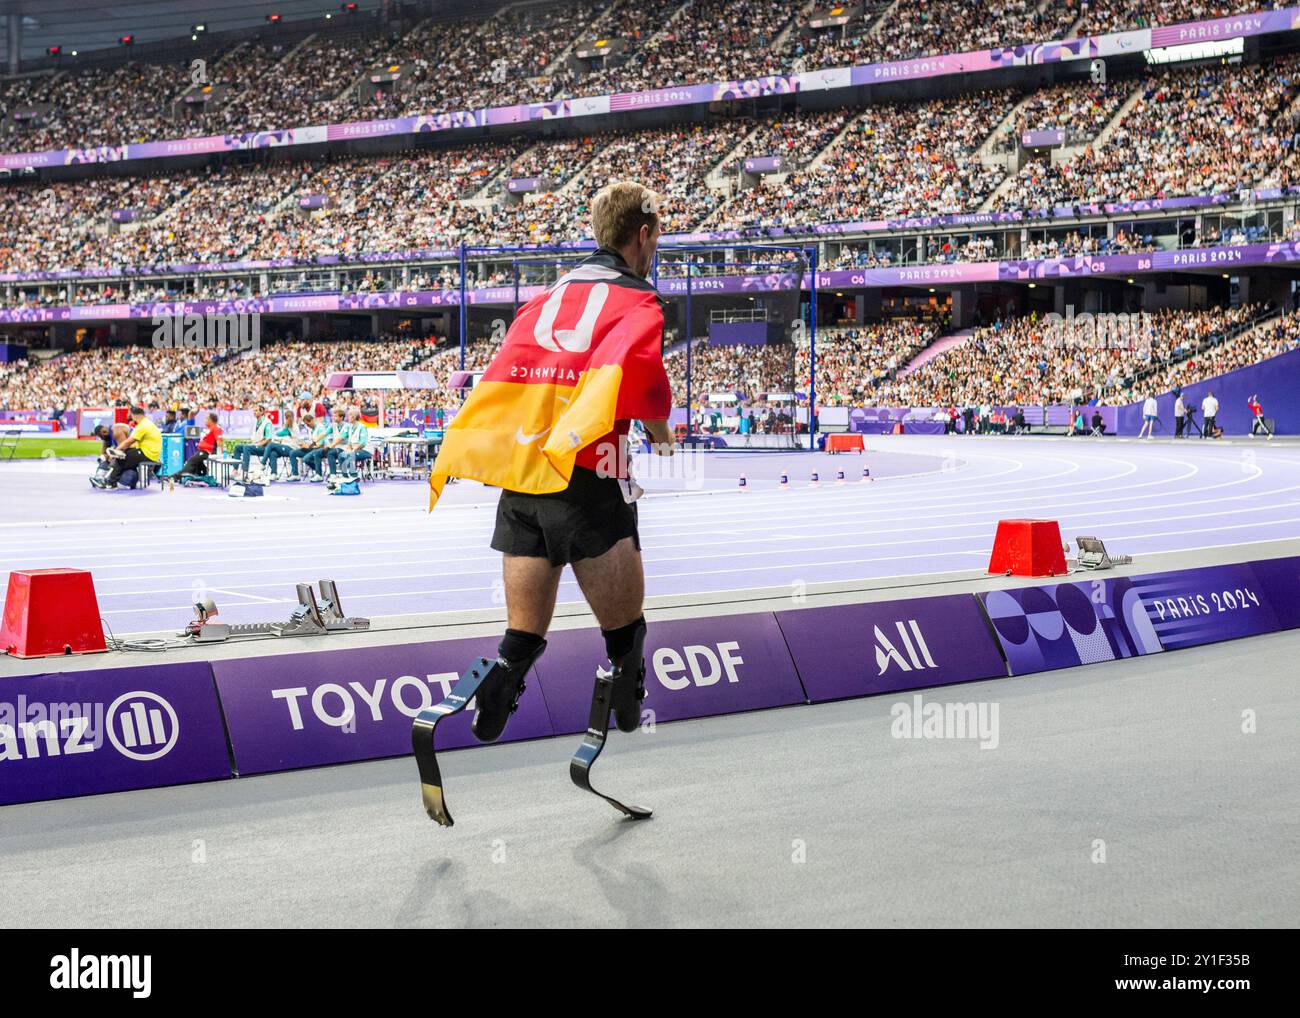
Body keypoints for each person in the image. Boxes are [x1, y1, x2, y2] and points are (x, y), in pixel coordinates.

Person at [417, 181, 673, 824]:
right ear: (641, 235)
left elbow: (509, 375)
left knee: (522, 636)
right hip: (586, 476)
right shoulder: (638, 296)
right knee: (625, 631)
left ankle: (494, 693)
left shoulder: (546, 297)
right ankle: (622, 700)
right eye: (657, 237)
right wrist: (663, 434)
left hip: (521, 478)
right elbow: (640, 379)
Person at [93, 406, 161, 489]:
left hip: (148, 454)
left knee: (122, 457)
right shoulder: (146, 423)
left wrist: (116, 451)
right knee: (124, 454)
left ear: (134, 415)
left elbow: (128, 442)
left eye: (131, 415)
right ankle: (115, 480)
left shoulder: (142, 426)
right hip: (150, 453)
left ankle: (110, 482)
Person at [233, 406, 274, 480]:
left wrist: (257, 444)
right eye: (254, 411)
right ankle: (235, 470)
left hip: (265, 448)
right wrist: (252, 443)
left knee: (247, 447)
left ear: (262, 412)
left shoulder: (267, 423)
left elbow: (268, 439)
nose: (254, 412)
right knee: (238, 447)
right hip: (256, 446)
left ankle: (244, 472)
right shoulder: (256, 423)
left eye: (256, 410)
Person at [179, 412, 223, 478]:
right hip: (202, 450)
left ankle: (176, 477)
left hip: (207, 451)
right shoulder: (209, 428)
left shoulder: (216, 428)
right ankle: (201, 476)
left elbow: (219, 442)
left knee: (191, 461)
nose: (205, 420)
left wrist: (220, 454)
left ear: (211, 420)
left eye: (206, 418)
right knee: (197, 464)